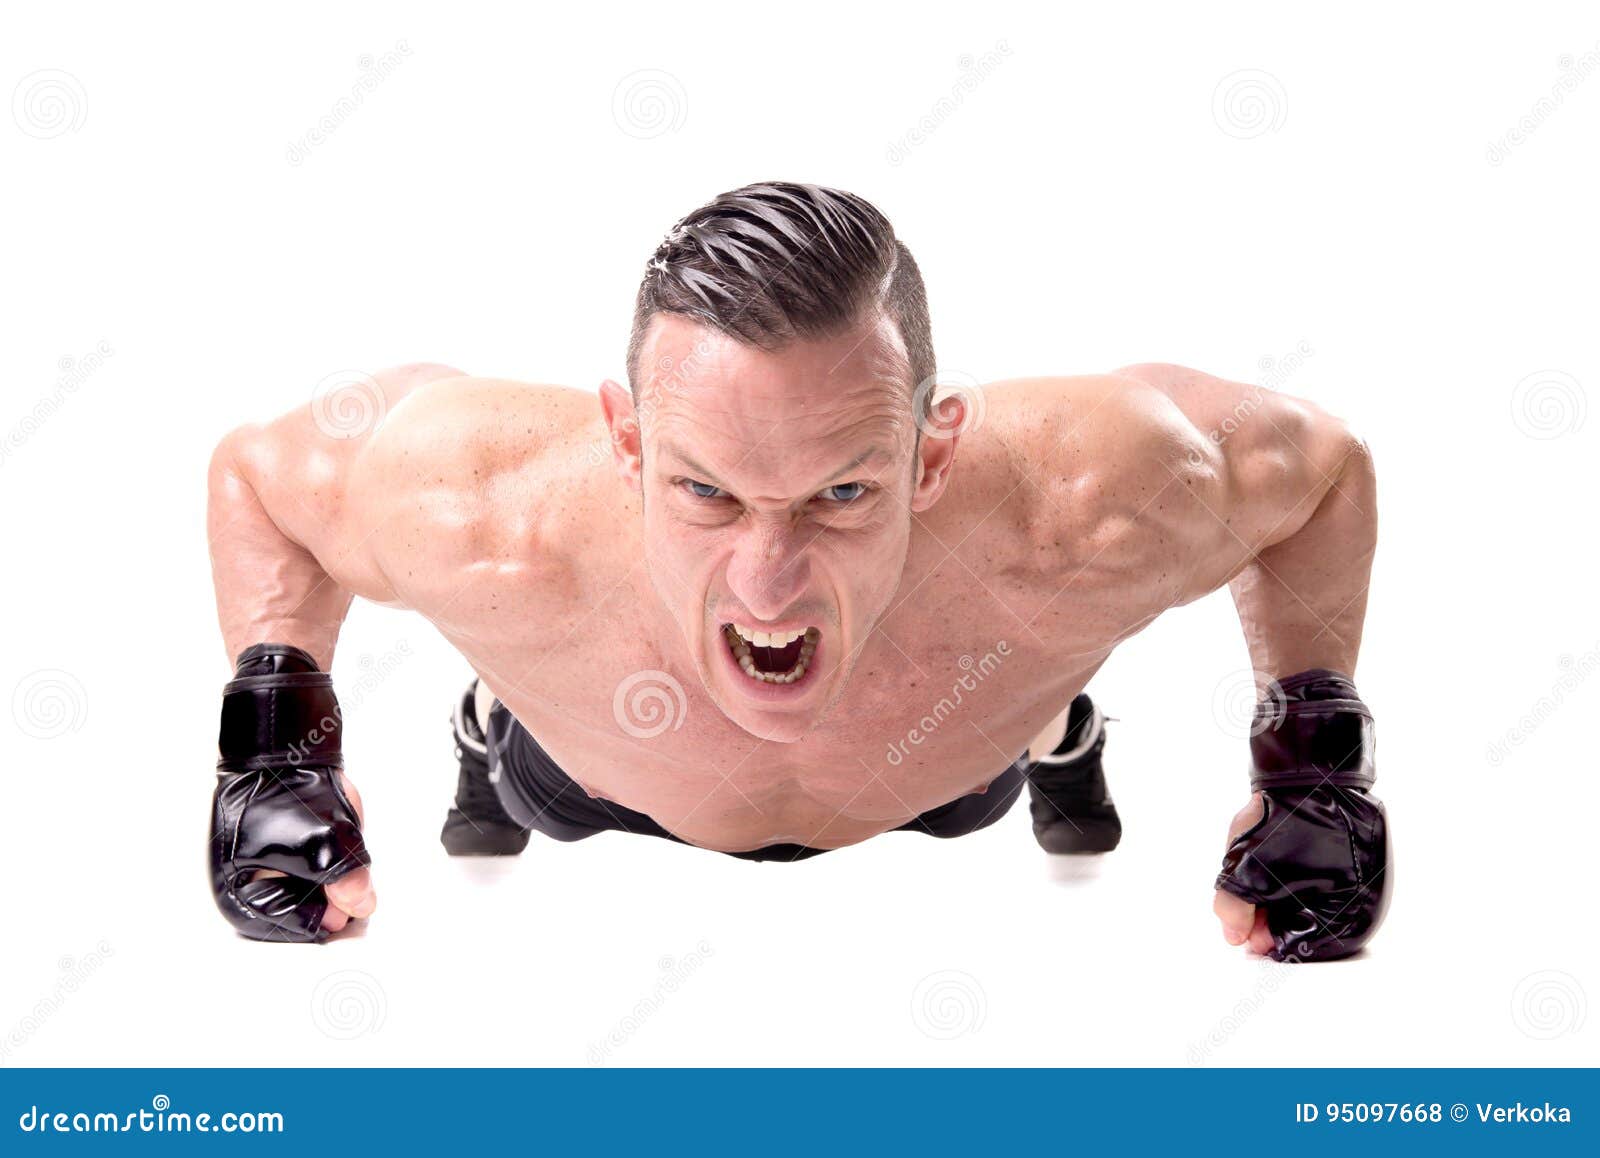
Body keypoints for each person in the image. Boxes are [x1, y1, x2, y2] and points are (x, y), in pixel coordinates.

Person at [207, 181, 1390, 959]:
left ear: (931, 454)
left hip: (939, 756)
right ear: (627, 443)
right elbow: (261, 483)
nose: (767, 583)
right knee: (527, 790)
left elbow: (1323, 475)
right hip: (591, 763)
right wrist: (272, 757)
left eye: (841, 494)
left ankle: (1051, 727)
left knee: (990, 740)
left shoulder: (1085, 512)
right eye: (705, 492)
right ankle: (486, 732)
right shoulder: (481, 513)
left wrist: (1311, 774)